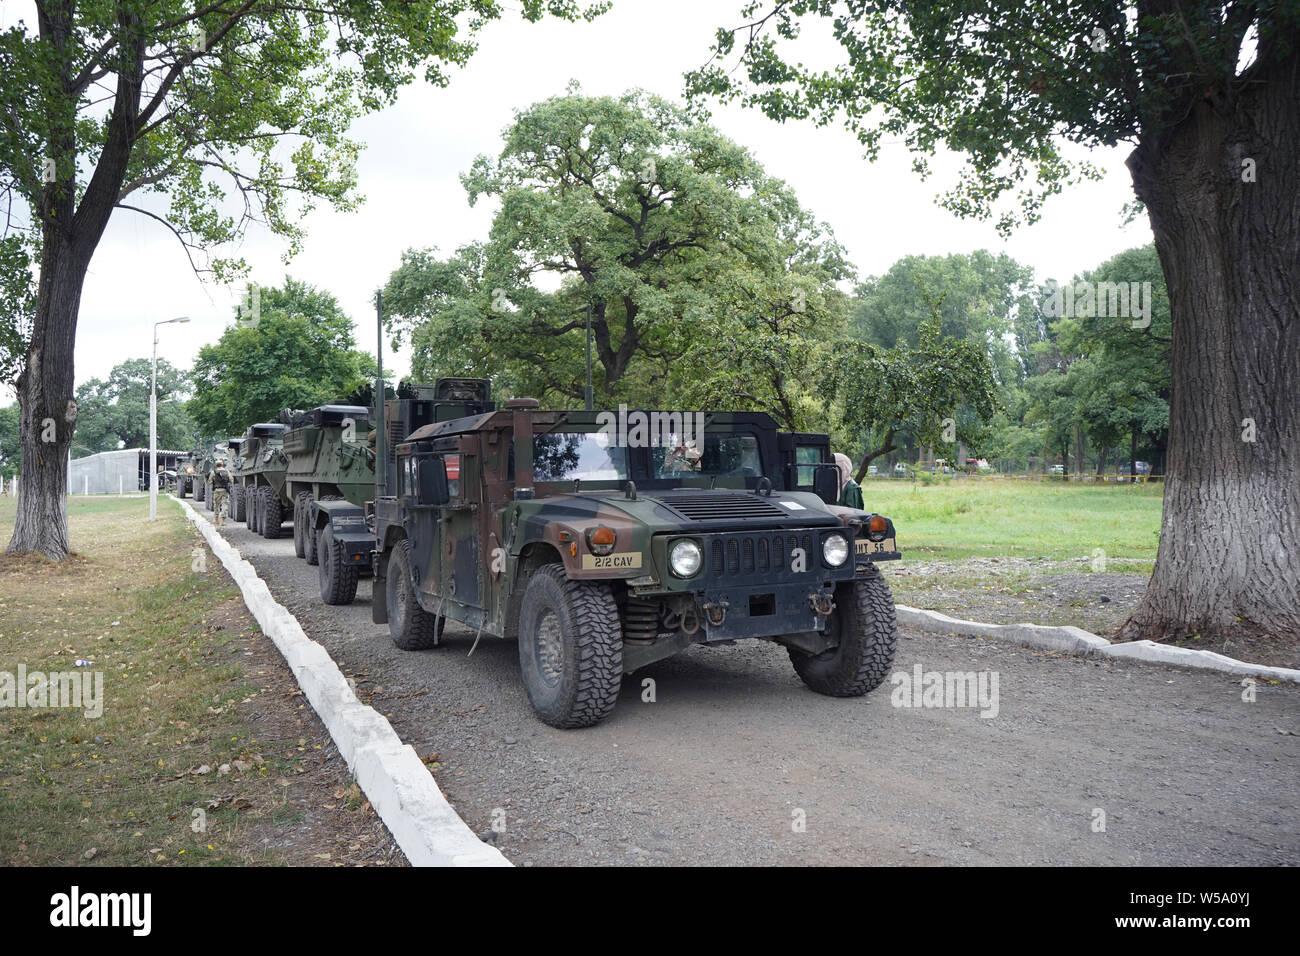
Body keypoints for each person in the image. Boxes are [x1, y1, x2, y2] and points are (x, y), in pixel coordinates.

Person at [211, 458, 232, 527]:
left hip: (217, 490)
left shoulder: (213, 472)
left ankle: (216, 520)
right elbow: (231, 480)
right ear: (222, 465)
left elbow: (209, 481)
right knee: (224, 505)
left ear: (216, 465)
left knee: (216, 505)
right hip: (224, 490)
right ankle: (223, 521)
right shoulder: (227, 471)